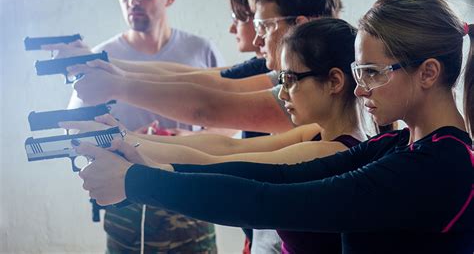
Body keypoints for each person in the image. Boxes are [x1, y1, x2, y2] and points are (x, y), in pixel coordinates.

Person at [76, 0, 474, 254]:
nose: (360, 89)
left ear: (428, 73)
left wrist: (136, 181)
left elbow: (273, 202)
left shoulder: (441, 167)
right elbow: (276, 178)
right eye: (359, 73)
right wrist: (141, 159)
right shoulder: (399, 145)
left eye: (373, 73)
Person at [65, 18, 364, 253]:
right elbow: (223, 146)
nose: (282, 92)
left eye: (290, 79)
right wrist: (123, 136)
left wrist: (126, 144)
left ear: (334, 81)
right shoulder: (315, 134)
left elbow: (217, 162)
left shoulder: (332, 153)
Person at [68, 0, 225, 254]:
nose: (132, 0)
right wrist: (124, 141)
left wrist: (193, 139)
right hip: (128, 199)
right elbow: (75, 130)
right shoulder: (100, 59)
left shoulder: (200, 51)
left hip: (192, 191)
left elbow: (232, 122)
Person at [67, 0, 343, 134]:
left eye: (264, 26)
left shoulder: (313, 86)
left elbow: (209, 107)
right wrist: (108, 67)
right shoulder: (290, 76)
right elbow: (198, 78)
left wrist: (118, 87)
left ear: (300, 25)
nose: (258, 40)